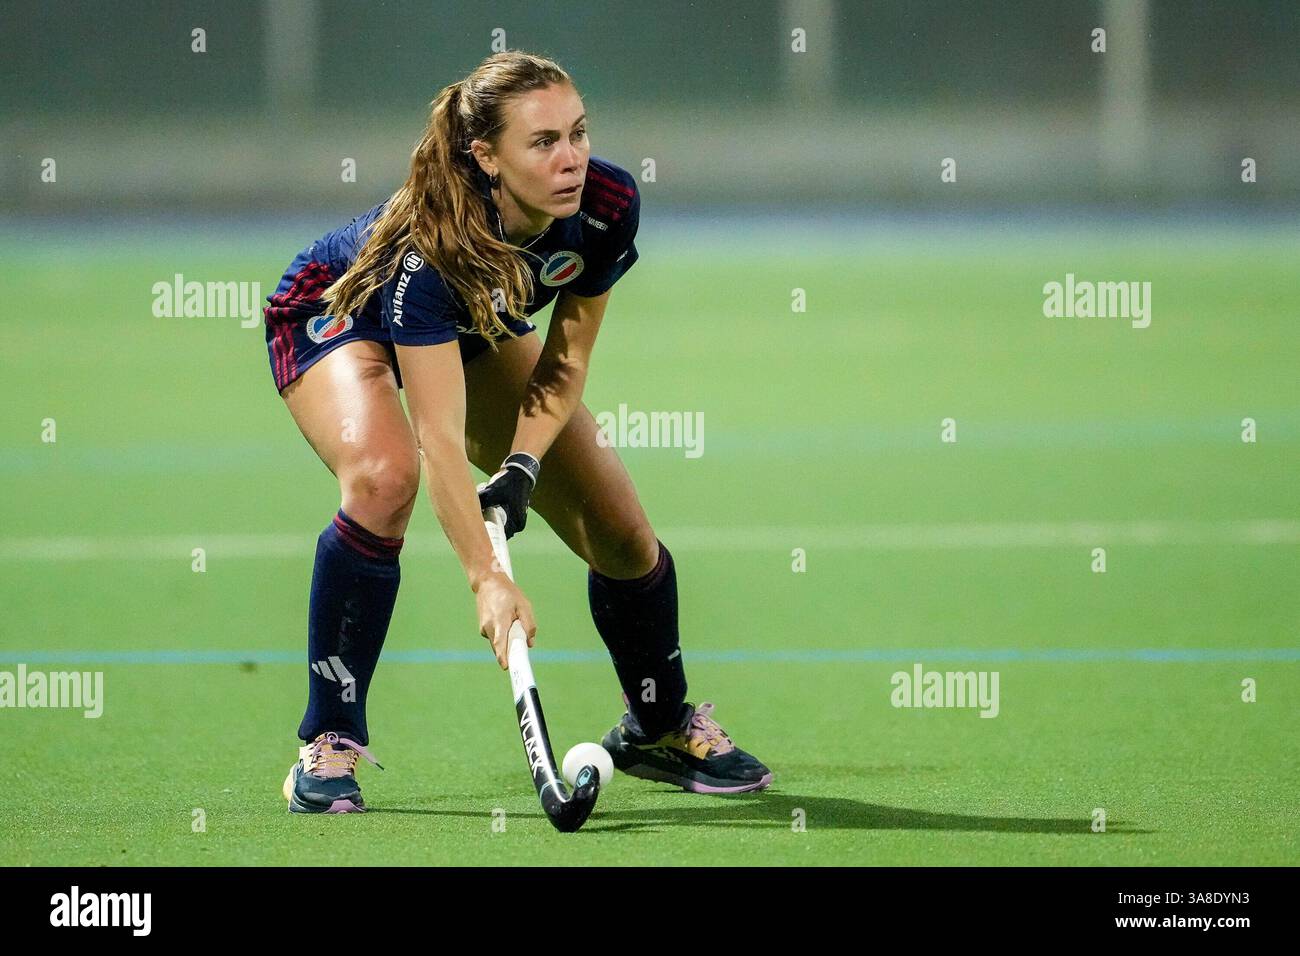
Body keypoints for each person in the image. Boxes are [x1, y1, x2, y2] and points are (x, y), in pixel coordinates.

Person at [264, 51, 772, 813]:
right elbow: (441, 437)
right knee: (384, 477)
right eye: (543, 143)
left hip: (472, 321)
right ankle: (329, 741)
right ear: (486, 157)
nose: (570, 159)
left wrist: (524, 467)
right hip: (341, 316)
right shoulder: (432, 251)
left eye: (578, 133)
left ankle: (658, 723)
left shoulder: (605, 205)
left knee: (619, 527)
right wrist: (488, 580)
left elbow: (564, 363)